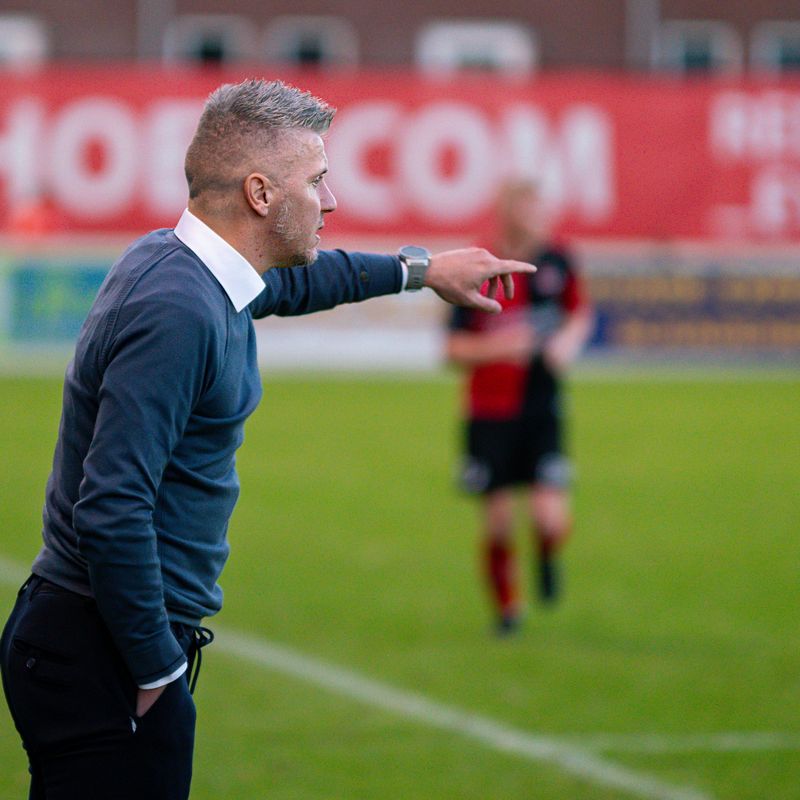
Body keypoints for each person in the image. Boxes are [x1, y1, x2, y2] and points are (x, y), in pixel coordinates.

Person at [0, 79, 535, 800]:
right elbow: (111, 507)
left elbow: (303, 283)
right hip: (104, 647)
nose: (331, 200)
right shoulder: (178, 309)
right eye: (316, 181)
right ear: (260, 194)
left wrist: (424, 270)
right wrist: (157, 669)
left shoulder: (189, 267)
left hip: (99, 637)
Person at [445, 178, 593, 634]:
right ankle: (507, 610)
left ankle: (547, 555)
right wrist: (502, 348)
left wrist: (568, 342)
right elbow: (453, 349)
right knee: (499, 522)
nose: (540, 216)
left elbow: (579, 313)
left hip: (542, 408)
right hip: (489, 413)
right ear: (508, 211)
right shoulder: (478, 265)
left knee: (549, 517)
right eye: (529, 207)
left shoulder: (557, 261)